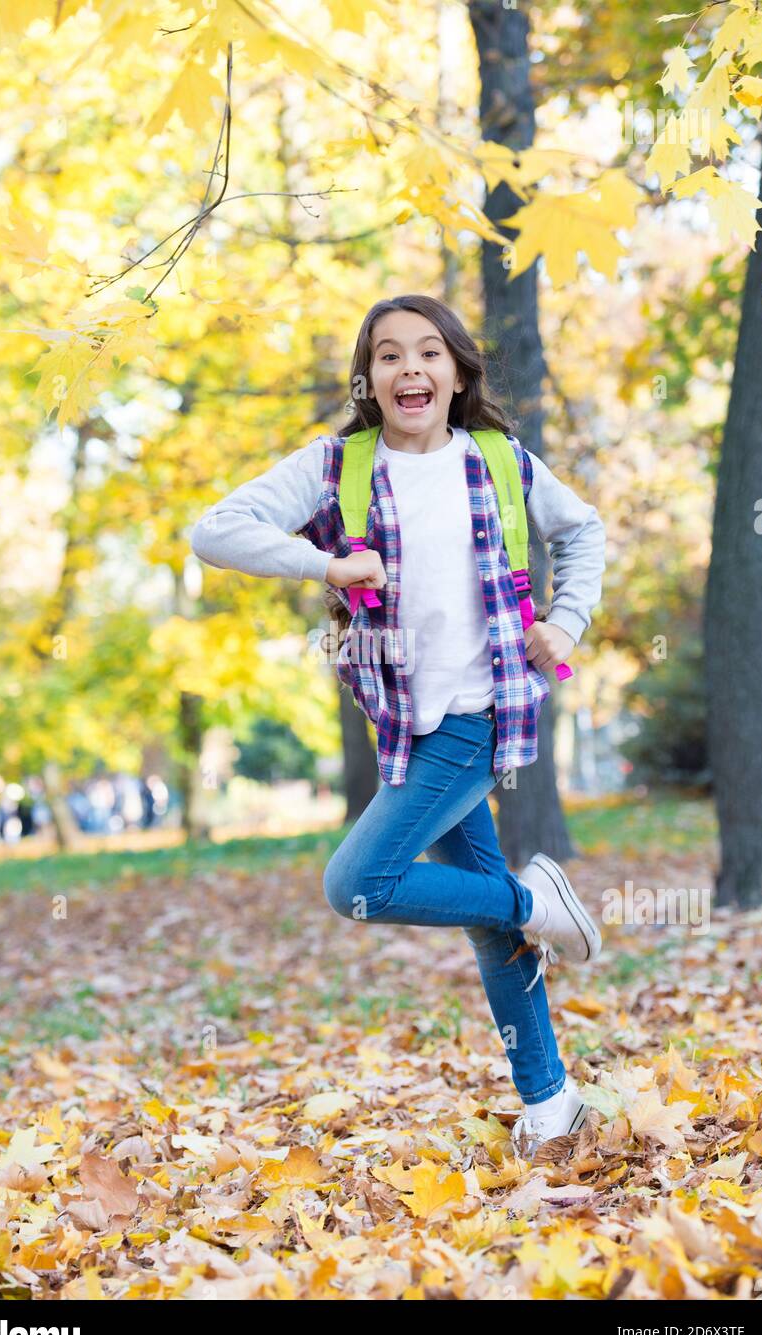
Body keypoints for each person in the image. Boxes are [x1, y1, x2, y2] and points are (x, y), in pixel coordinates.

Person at [190, 293, 606, 1158]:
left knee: (358, 884)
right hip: (401, 725)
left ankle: (537, 900)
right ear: (369, 378)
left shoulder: (497, 460)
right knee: (496, 929)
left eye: (428, 353)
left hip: (478, 718)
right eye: (387, 355)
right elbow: (214, 529)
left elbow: (583, 531)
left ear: (456, 374)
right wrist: (326, 562)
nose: (408, 368)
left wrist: (565, 623)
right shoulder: (338, 464)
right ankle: (552, 1100)